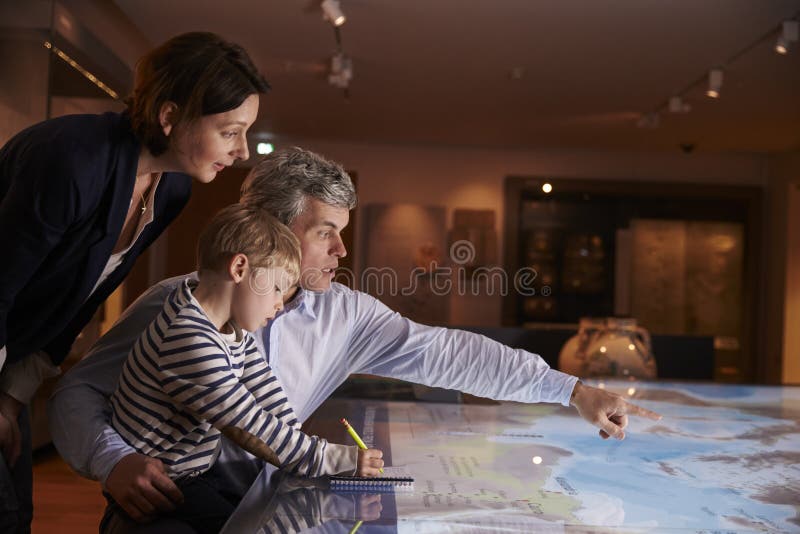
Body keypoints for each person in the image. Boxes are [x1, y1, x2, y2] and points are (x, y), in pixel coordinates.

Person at [49, 148, 662, 532]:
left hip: (267, 500)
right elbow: (77, 393)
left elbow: (450, 353)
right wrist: (113, 461)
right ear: (272, 230)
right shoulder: (174, 304)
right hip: (159, 504)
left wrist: (571, 390)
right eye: (326, 233)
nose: (343, 251)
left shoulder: (345, 315)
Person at [0, 31, 269, 532]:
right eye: (231, 131)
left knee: (15, 514)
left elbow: (80, 300)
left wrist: (13, 394)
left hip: (10, 364)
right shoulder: (70, 159)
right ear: (169, 117)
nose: (241, 150)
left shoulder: (171, 192)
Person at [107, 204, 382, 533]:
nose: (280, 303)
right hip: (163, 486)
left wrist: (306, 446)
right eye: (278, 288)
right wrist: (337, 460)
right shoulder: (189, 340)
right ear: (239, 267)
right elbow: (250, 427)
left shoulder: (225, 325)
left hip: (191, 474)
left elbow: (267, 395)